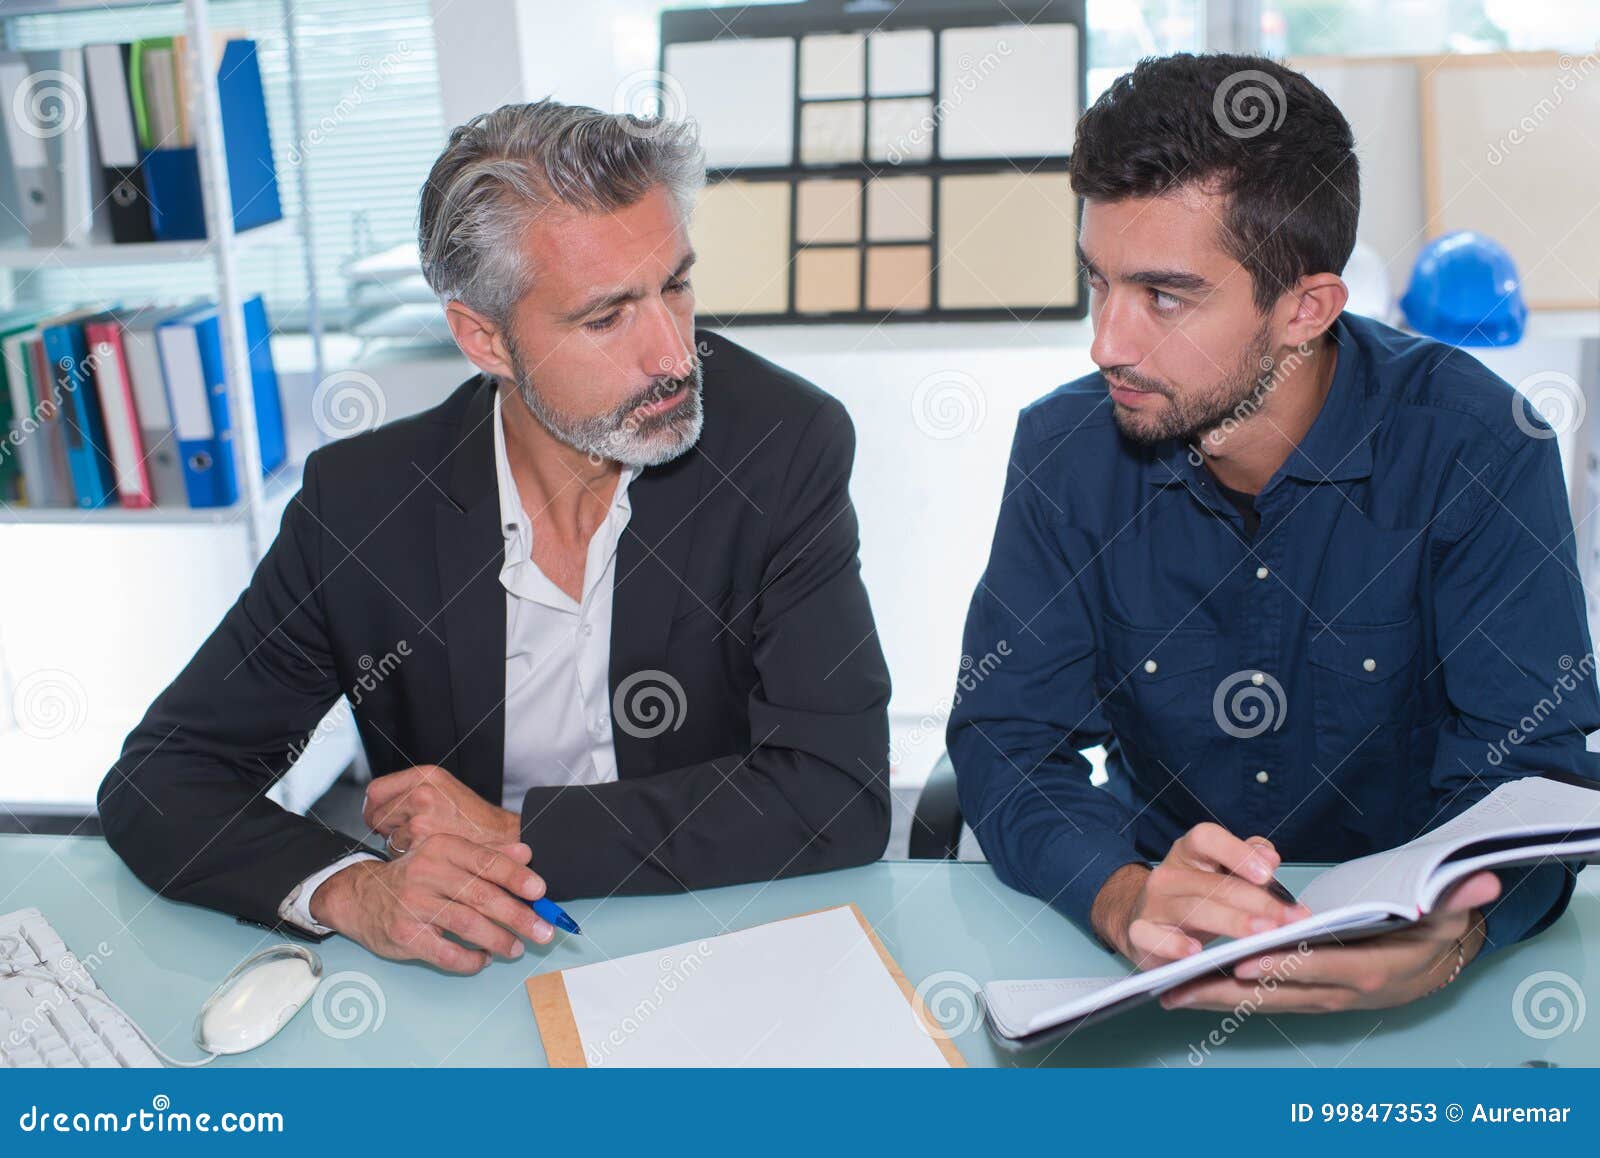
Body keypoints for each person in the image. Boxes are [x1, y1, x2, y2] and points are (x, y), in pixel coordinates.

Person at [99, 100, 890, 974]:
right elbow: (160, 780)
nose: (673, 355)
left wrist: (519, 833)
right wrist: (354, 891)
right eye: (606, 318)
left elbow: (836, 793)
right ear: (485, 338)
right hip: (475, 965)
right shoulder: (364, 505)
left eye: (675, 285)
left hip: (716, 938)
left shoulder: (782, 444)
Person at [948, 53, 1600, 1013]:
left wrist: (1451, 937)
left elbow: (1536, 773)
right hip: (1157, 969)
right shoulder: (1065, 452)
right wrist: (1120, 894)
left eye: (1165, 297)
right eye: (1099, 282)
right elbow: (1006, 737)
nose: (1107, 344)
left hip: (1416, 985)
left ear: (1307, 309)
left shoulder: (1478, 448)